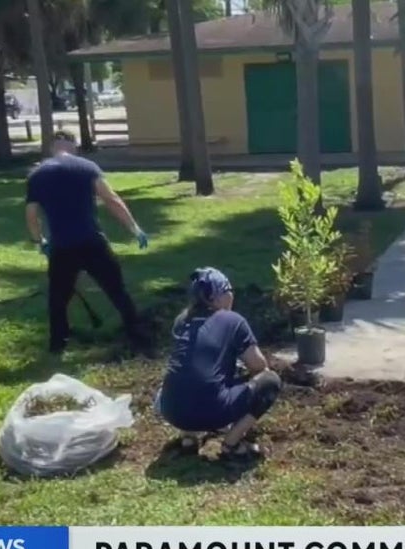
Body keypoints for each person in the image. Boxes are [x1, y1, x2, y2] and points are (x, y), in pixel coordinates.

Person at [24, 131, 154, 358]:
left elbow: (31, 215)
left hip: (62, 247)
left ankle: (57, 345)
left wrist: (40, 240)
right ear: (72, 146)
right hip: (92, 242)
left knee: (58, 299)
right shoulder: (87, 167)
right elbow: (111, 199)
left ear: (53, 147)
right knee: (117, 291)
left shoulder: (37, 174)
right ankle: (138, 336)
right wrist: (134, 228)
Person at [154, 268, 283, 460]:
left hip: (170, 410)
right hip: (212, 411)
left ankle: (188, 438)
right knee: (270, 380)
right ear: (217, 295)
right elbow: (258, 366)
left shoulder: (182, 321)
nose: (232, 296)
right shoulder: (233, 321)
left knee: (185, 378)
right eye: (229, 290)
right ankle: (232, 444)